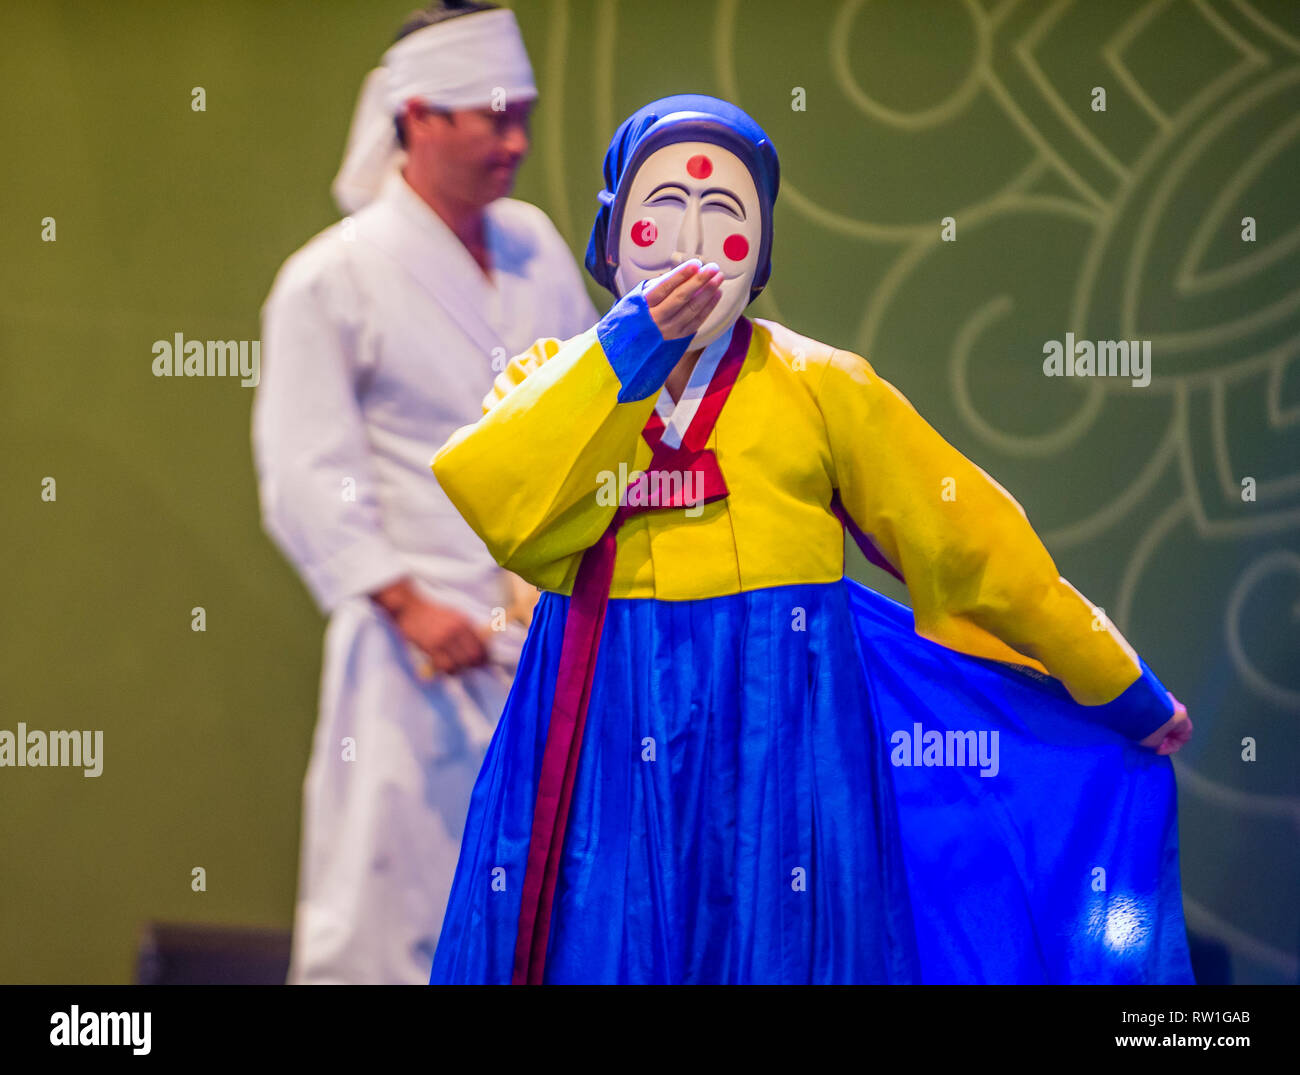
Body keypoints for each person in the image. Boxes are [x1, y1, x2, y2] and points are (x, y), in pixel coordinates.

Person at [426, 94, 1195, 985]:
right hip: (604, 722)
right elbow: (495, 501)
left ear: (761, 253)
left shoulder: (824, 387)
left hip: (781, 726)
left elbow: (973, 544)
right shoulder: (559, 382)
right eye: (663, 208)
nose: (691, 243)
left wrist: (1119, 686)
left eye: (725, 215)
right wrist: (628, 348)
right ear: (612, 234)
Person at [251, 1, 599, 985]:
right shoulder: (332, 279)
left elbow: (581, 420)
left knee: (539, 905)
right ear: (418, 114)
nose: (517, 142)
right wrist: (404, 600)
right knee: (389, 905)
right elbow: (303, 466)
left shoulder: (534, 249)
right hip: (408, 654)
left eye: (522, 114)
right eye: (493, 116)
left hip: (536, 637)